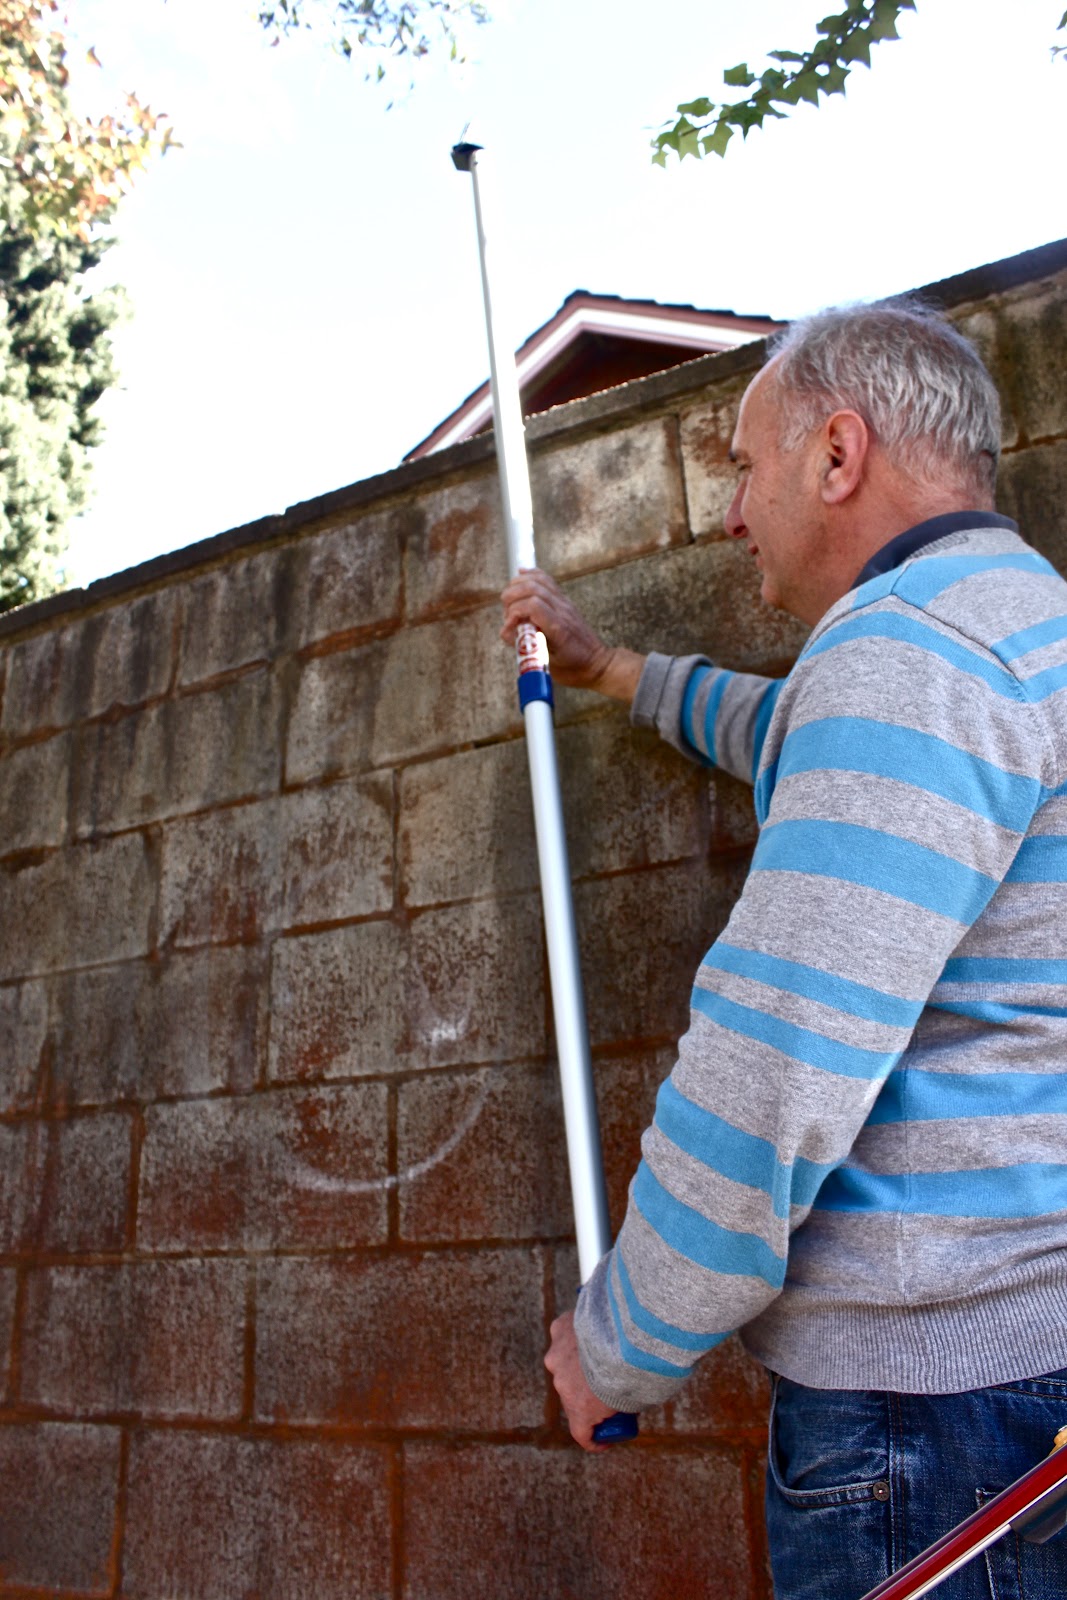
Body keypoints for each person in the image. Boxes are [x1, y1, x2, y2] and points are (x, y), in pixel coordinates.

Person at [500, 300, 1067, 1599]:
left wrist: (621, 1339)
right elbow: (797, 735)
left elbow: (773, 1078)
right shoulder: (1018, 630)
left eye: (750, 466)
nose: (733, 514)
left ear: (837, 455)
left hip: (931, 1425)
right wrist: (612, 670)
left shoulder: (906, 660)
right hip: (1025, 1387)